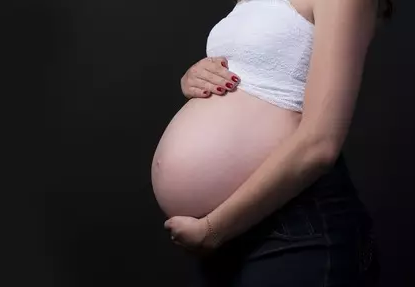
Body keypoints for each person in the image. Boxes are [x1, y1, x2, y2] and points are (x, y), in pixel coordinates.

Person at [156, 0, 393, 286]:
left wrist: (213, 229)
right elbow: (258, 71)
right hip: (232, 232)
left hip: (294, 224)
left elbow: (320, 144)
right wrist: (195, 78)